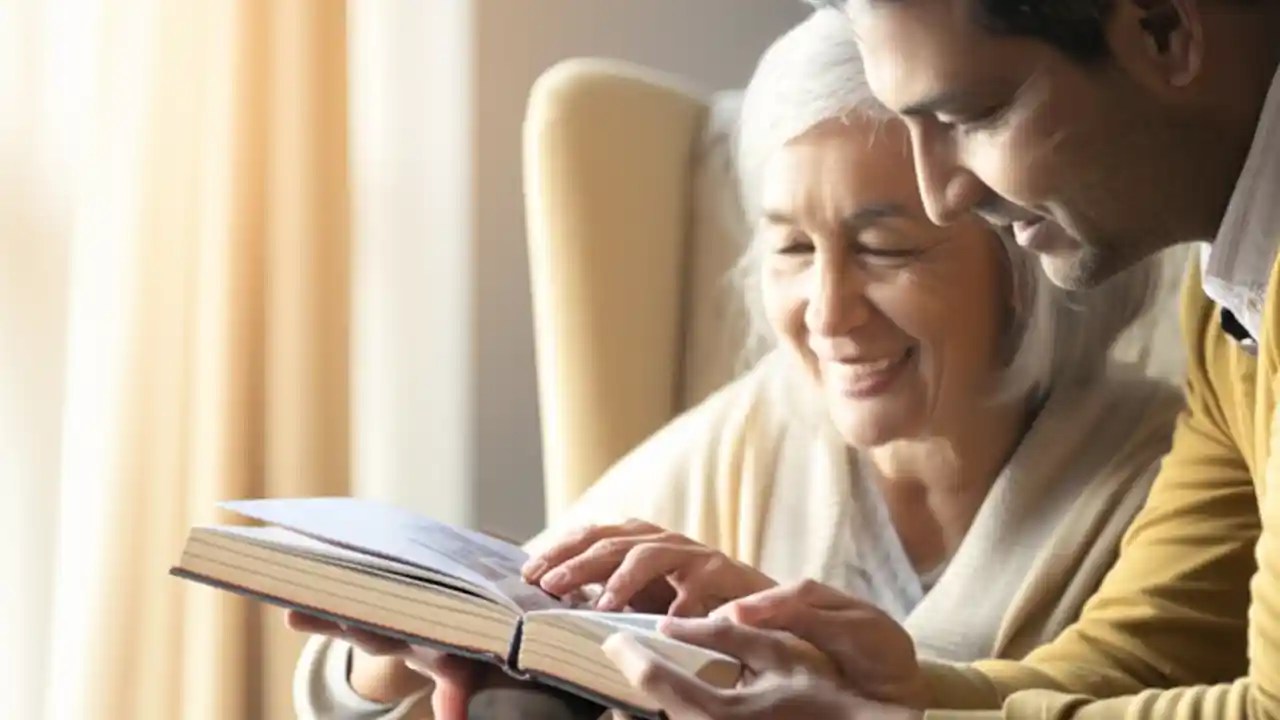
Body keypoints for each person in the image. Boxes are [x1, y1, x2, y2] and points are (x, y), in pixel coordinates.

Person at [288, 8, 1179, 720]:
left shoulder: (1160, 471)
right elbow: (446, 641)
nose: (827, 313)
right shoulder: (761, 427)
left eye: (885, 250)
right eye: (792, 249)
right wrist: (409, 659)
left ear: (1021, 260)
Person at [601, 1, 1280, 719]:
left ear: (1163, 29)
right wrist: (889, 691)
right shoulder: (1226, 305)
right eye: (791, 247)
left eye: (973, 116)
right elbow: (1145, 658)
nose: (943, 194)